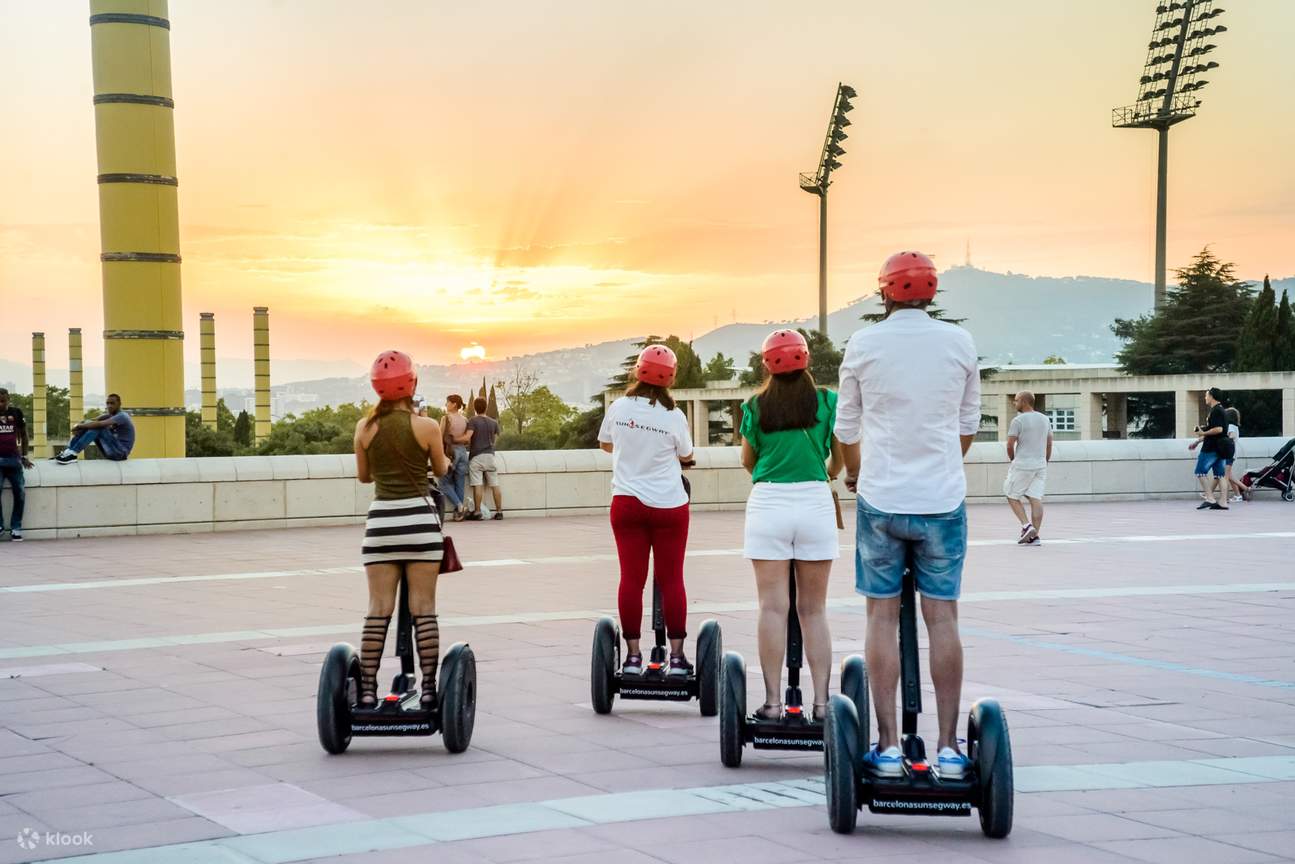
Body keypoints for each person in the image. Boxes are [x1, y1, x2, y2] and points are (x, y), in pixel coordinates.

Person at [835, 250, 981, 779]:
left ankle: (890, 745)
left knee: (880, 615)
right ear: (932, 293)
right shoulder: (959, 343)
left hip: (882, 498)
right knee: (942, 617)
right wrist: (940, 464)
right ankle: (947, 747)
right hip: (942, 500)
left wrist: (856, 472)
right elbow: (968, 424)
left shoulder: (865, 343)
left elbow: (846, 427)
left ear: (884, 292)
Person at [740, 330, 844, 721]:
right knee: (813, 610)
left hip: (769, 503)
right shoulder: (827, 401)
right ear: (806, 360)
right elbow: (837, 459)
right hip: (815, 503)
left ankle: (771, 702)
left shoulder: (755, 405)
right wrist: (826, 472)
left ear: (767, 363)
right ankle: (821, 704)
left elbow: (748, 461)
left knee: (772, 607)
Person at [353, 350, 449, 708]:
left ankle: (365, 691)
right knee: (423, 608)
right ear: (412, 384)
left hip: (381, 524)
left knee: (378, 609)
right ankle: (427, 689)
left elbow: (365, 477)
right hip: (420, 524)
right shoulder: (426, 426)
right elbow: (440, 469)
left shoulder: (364, 428)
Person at [598, 344, 696, 676]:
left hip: (626, 503)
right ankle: (678, 658)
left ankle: (633, 656)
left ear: (637, 371)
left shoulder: (620, 406)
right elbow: (686, 454)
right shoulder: (674, 415)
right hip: (669, 506)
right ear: (670, 378)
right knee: (672, 580)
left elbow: (606, 444)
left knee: (631, 579)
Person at [1003, 390, 1052, 545]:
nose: (1014, 402)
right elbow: (1049, 442)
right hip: (1040, 464)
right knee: (1035, 498)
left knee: (1011, 495)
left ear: (1024, 401)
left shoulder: (1018, 421)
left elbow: (1010, 444)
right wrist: (1045, 460)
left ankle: (1026, 525)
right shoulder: (1045, 419)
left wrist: (1013, 460)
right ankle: (1034, 536)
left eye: (1016, 400)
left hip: (1023, 463)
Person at [53, 394, 135, 463]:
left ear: (119, 404)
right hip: (110, 451)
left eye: (112, 403)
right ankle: (68, 451)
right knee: (89, 423)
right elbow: (90, 421)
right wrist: (79, 426)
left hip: (120, 452)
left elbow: (99, 424)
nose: (109, 406)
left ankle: (73, 453)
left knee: (98, 427)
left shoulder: (122, 416)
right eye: (108, 403)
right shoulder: (109, 415)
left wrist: (79, 426)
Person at [0, 388, 34, 541]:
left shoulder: (16, 413)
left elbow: (24, 435)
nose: (1, 404)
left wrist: (25, 456)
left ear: (8, 399)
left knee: (20, 493)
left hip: (14, 460)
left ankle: (16, 527)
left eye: (3, 400)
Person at [1187, 387, 1229, 511]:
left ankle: (1210, 498)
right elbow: (1218, 430)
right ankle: (1223, 502)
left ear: (1211, 396)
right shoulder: (1222, 410)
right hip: (1221, 448)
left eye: (1206, 395)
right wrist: (1198, 441)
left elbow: (1218, 429)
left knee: (1200, 472)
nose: (1205, 398)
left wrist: (1202, 433)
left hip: (1211, 448)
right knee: (1220, 475)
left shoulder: (1216, 411)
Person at [464, 397, 503, 521]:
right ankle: (499, 511)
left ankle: (477, 511)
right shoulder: (493, 422)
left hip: (476, 457)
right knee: (495, 485)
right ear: (486, 407)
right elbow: (495, 439)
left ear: (475, 408)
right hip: (490, 456)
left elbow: (468, 437)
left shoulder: (473, 421)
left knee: (478, 485)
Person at [440, 395, 471, 521]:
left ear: (454, 404)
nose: (446, 404)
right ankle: (459, 513)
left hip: (450, 452)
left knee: (443, 483)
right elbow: (467, 439)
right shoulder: (465, 420)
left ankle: (459, 506)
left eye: (447, 402)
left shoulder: (446, 418)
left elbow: (439, 436)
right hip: (463, 452)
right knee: (460, 482)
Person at [1223, 407, 1244, 502]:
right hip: (1231, 453)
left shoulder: (1230, 426)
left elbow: (1231, 436)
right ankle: (1238, 495)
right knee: (1229, 475)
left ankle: (1225, 498)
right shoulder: (1234, 426)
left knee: (1225, 476)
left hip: (1228, 453)